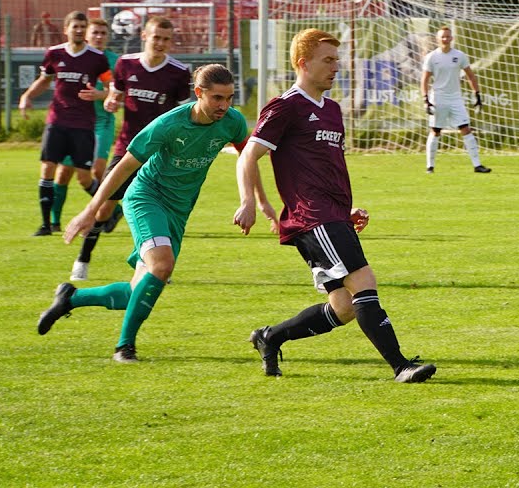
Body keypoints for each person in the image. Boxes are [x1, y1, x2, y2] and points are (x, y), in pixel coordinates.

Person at [236, 29, 437, 383]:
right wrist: (250, 202)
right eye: (328, 60)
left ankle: (271, 337)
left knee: (343, 308)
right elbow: (249, 155)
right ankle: (400, 366)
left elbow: (326, 167)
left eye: (337, 60)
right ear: (303, 63)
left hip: (331, 214)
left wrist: (346, 209)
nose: (336, 67)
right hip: (311, 216)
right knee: (364, 281)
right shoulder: (286, 106)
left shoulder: (331, 110)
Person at [38, 65, 265, 363]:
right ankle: (124, 346)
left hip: (179, 209)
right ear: (198, 94)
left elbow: (247, 157)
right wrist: (91, 210)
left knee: (139, 290)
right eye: (217, 98)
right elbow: (124, 166)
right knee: (162, 266)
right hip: (147, 197)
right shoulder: (169, 124)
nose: (224, 105)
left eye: (229, 98)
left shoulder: (232, 122)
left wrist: (252, 201)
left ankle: (71, 298)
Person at [68, 16, 192, 281]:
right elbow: (115, 95)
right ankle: (83, 259)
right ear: (144, 36)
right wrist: (111, 102)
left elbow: (184, 113)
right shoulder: (126, 64)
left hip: (162, 152)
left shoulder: (179, 72)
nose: (160, 43)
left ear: (171, 42)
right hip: (128, 147)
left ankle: (155, 264)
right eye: (156, 37)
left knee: (162, 210)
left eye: (166, 39)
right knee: (104, 208)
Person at [18, 11, 113, 236]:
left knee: (83, 176)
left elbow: (110, 88)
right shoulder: (54, 53)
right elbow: (45, 79)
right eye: (75, 26)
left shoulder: (97, 58)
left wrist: (100, 96)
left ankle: (111, 210)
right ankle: (46, 225)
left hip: (83, 123)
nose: (79, 30)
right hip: (57, 120)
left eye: (82, 26)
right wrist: (27, 96)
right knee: (48, 168)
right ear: (66, 29)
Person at [51, 19, 119, 239]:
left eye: (103, 33)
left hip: (101, 122)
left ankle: (105, 211)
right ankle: (52, 224)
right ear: (86, 35)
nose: (99, 36)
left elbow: (121, 93)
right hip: (75, 123)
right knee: (63, 173)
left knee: (99, 170)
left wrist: (102, 96)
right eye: (95, 32)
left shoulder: (114, 61)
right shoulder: (77, 58)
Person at [420, 26, 491, 174]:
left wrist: (477, 94)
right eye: (442, 37)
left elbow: (471, 75)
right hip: (438, 98)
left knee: (466, 129)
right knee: (435, 131)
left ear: (452, 38)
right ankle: (430, 167)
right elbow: (424, 80)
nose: (445, 39)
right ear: (437, 39)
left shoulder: (459, 55)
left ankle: (477, 165)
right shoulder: (432, 57)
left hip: (455, 98)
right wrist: (425, 99)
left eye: (448, 36)